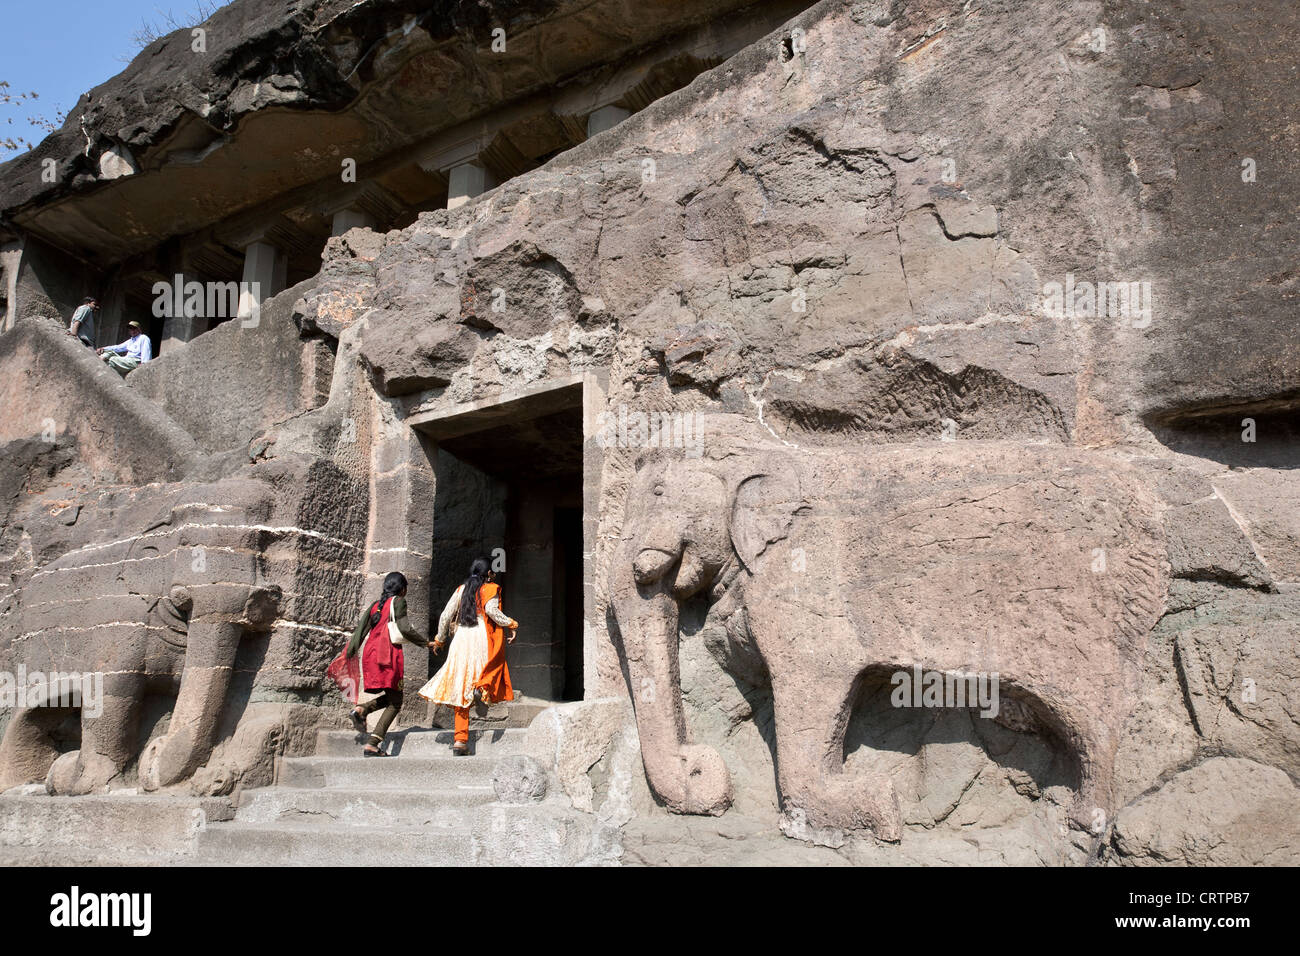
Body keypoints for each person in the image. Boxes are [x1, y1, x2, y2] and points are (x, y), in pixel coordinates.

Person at [419, 557, 518, 755]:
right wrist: (511, 623)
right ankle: (480, 689)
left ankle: (460, 741)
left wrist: (439, 639)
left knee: (459, 686)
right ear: (488, 574)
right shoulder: (491, 588)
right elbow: (491, 611)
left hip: (461, 638)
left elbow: (446, 615)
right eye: (493, 572)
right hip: (481, 636)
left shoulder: (460, 590)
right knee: (486, 670)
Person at [343, 571, 431, 756]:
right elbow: (405, 628)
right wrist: (425, 643)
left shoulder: (375, 606)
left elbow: (360, 631)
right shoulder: (398, 602)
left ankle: (362, 709)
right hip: (387, 654)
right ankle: (373, 743)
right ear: (402, 589)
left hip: (370, 654)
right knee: (396, 702)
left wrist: (350, 652)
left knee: (393, 697)